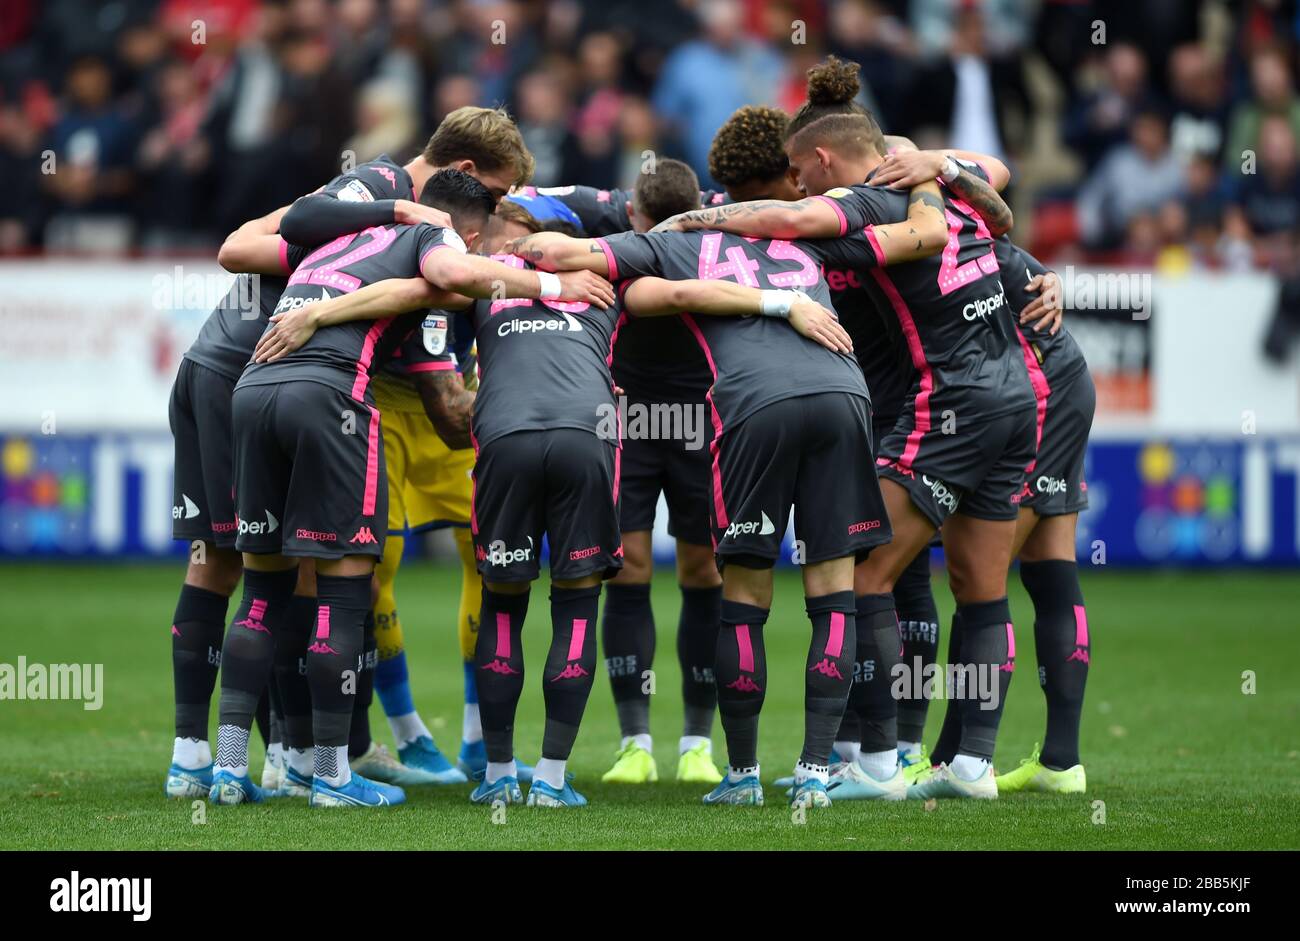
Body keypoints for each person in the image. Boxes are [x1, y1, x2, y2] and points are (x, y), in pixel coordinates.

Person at [254, 235, 856, 809]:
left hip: (505, 435)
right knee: (575, 604)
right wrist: (786, 302)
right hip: (586, 436)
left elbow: (413, 292)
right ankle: (551, 778)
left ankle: (495, 775)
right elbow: (681, 295)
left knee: (503, 604)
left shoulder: (485, 287)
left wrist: (318, 311)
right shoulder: (607, 285)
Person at [501, 182, 950, 807]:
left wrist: (509, 247)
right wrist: (930, 178)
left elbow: (551, 253)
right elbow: (924, 233)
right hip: (845, 397)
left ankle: (741, 774)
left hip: (754, 408)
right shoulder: (802, 236)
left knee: (744, 592)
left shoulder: (673, 244)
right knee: (834, 590)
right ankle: (817, 772)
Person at [658, 105, 1037, 801]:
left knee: (862, 573)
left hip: (951, 400)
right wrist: (936, 161)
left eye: (800, 172)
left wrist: (691, 223)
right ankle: (973, 765)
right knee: (979, 587)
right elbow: (1000, 181)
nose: (796, 186)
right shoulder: (939, 180)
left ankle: (878, 761)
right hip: (1019, 391)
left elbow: (801, 225)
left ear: (823, 162)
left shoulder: (857, 205)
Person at [206, 169, 613, 807]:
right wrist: (555, 282)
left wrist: (317, 306)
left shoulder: (340, 237)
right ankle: (333, 778)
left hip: (254, 389)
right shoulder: (435, 239)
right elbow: (449, 281)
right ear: (466, 230)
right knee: (344, 593)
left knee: (261, 590)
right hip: (332, 393)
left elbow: (241, 247)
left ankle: (229, 770)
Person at [276, 106, 539, 785]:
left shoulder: (475, 230)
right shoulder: (379, 189)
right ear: (466, 173)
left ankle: (483, 739)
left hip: (451, 394)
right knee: (369, 569)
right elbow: (278, 233)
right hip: (380, 403)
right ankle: (406, 734)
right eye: (503, 194)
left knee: (495, 556)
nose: (506, 211)